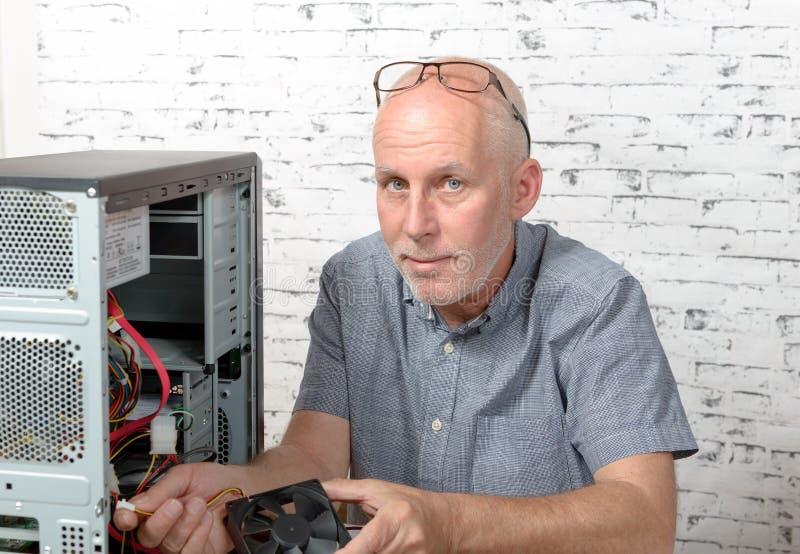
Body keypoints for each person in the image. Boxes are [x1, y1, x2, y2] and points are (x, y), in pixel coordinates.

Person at [114, 58, 697, 553]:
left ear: (522, 189)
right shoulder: (353, 279)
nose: (415, 227)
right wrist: (236, 489)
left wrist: (446, 523)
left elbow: (646, 522)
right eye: (395, 184)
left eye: (451, 183)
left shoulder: (595, 298)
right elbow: (313, 453)